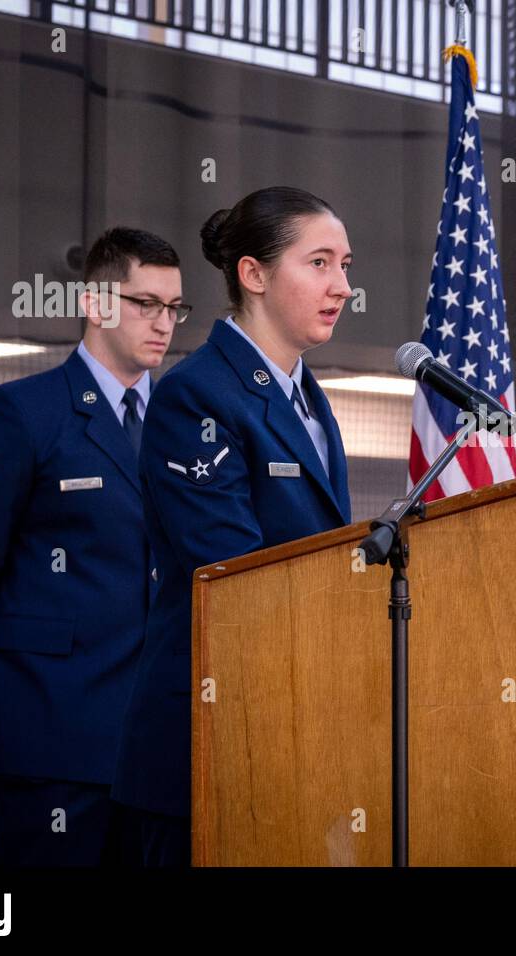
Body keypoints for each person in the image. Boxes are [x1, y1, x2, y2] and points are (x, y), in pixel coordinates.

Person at [0, 227, 188, 865]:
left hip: (157, 745)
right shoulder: (25, 412)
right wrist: (20, 686)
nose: (165, 323)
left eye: (175, 307)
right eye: (144, 303)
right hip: (51, 736)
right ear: (97, 304)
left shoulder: (185, 424)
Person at [112, 187, 353, 866]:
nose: (341, 286)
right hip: (209, 744)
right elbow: (235, 579)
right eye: (320, 263)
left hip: (288, 733)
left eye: (346, 266)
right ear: (253, 274)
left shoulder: (306, 393)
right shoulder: (198, 395)